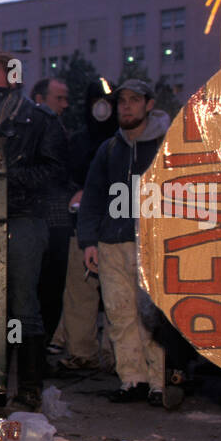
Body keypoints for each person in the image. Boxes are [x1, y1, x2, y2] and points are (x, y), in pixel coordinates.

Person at [0, 51, 66, 409]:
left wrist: (6, 178)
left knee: (21, 303)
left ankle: (28, 387)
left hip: (24, 218)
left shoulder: (39, 120)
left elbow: (55, 172)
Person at [76, 78, 170, 406]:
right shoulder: (110, 149)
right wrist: (89, 241)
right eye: (121, 101)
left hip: (153, 243)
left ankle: (160, 382)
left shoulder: (167, 144)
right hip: (112, 243)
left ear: (149, 104)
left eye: (133, 100)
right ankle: (133, 380)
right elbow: (93, 197)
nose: (126, 106)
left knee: (153, 316)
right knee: (119, 313)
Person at [52, 78, 116, 370]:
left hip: (118, 228)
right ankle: (82, 352)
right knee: (80, 291)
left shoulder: (125, 142)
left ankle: (118, 356)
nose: (102, 108)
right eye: (96, 101)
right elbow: (64, 177)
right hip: (83, 226)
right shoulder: (78, 140)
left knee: (119, 295)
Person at [29, 78, 75, 345]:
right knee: (34, 290)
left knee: (52, 290)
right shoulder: (28, 131)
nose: (65, 104)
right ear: (39, 98)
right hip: (36, 218)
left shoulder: (59, 129)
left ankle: (40, 352)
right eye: (59, 98)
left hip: (57, 220)